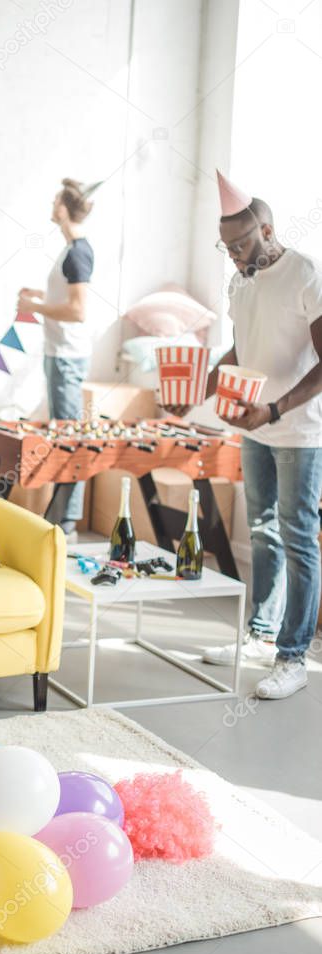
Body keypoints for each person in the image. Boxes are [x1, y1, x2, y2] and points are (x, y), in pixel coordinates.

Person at [167, 171, 322, 700]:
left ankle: (294, 655)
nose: (233, 255)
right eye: (226, 246)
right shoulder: (241, 281)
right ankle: (261, 633)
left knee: (299, 538)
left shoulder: (305, 274)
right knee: (261, 531)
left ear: (268, 230)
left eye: (241, 244)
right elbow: (240, 351)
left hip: (299, 432)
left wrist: (276, 408)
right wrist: (197, 392)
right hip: (256, 428)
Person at [17, 178, 100, 543]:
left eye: (55, 201)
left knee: (70, 439)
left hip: (67, 357)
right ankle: (60, 516)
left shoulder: (78, 251)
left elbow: (78, 310)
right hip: (58, 355)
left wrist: (33, 307)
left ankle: (64, 522)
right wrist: (39, 295)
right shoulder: (70, 250)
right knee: (64, 433)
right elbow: (64, 296)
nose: (52, 206)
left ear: (64, 209)